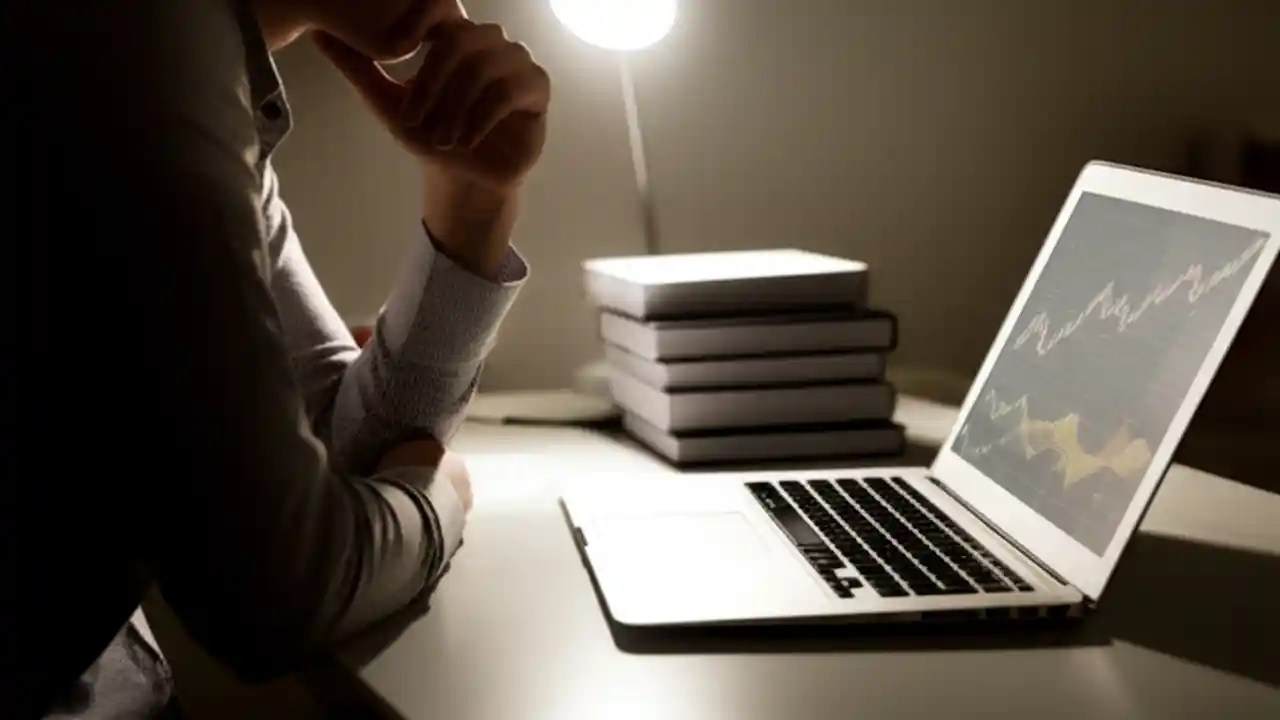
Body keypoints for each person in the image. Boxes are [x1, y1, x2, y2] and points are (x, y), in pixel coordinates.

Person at [1, 0, 550, 716]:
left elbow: (343, 461)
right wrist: (437, 495)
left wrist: (475, 202)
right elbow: (272, 590)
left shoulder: (197, 65)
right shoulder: (138, 44)